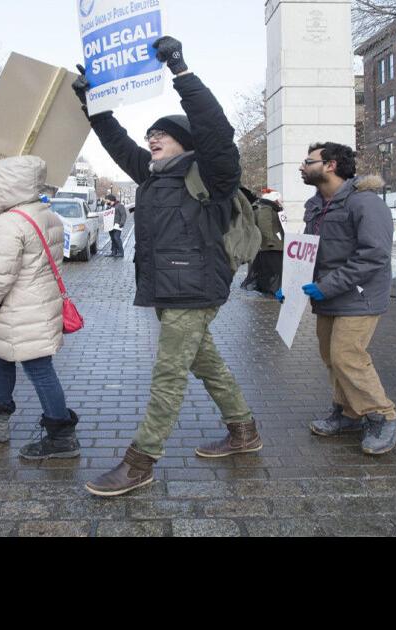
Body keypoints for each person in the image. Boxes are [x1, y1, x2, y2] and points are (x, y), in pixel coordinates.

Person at [75, 35, 261, 497]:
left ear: (186, 142)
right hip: (168, 289)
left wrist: (180, 69)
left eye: (162, 133)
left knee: (168, 375)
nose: (152, 138)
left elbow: (214, 128)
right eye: (150, 134)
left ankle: (141, 461)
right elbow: (116, 141)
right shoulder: (154, 176)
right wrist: (91, 102)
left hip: (196, 291)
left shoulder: (213, 174)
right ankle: (244, 431)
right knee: (207, 363)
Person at [0, 155, 80, 459]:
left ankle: (61, 438)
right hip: (34, 307)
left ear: (2, 187)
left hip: (18, 311)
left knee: (39, 369)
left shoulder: (7, 223)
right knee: (0, 361)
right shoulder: (45, 214)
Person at [290, 142, 396, 454]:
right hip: (329, 296)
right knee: (330, 357)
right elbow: (310, 251)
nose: (302, 166)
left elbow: (373, 256)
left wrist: (328, 285)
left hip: (359, 297)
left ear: (331, 165)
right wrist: (293, 281)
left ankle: (383, 416)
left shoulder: (365, 203)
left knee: (346, 356)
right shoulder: (315, 205)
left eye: (308, 161)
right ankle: (349, 413)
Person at [241, 188, 284, 296]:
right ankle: (271, 290)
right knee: (274, 270)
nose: (280, 202)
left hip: (271, 245)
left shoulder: (268, 207)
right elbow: (264, 226)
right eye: (278, 200)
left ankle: (269, 289)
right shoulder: (266, 208)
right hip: (271, 246)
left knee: (269, 270)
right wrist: (271, 241)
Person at [105, 194, 127, 258]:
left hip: (117, 225)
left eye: (107, 200)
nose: (106, 202)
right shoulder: (108, 207)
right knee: (113, 239)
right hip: (110, 225)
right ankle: (114, 252)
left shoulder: (120, 206)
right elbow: (106, 216)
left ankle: (121, 252)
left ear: (111, 200)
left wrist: (122, 223)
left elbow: (123, 214)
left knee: (116, 238)